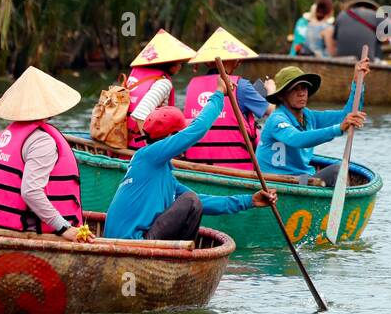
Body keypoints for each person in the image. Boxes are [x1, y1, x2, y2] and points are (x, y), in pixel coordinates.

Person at [103, 99, 277, 242]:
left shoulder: (163, 174)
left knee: (194, 201)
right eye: (180, 133)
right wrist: (218, 95)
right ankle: (179, 263)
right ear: (171, 137)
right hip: (131, 243)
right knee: (191, 201)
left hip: (136, 241)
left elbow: (203, 202)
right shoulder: (148, 155)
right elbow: (198, 130)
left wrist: (249, 201)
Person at [0, 67, 94, 240]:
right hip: (29, 230)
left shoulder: (8, 134)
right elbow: (30, 191)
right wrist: (64, 228)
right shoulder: (42, 141)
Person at [256, 59, 370, 185]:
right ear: (281, 96)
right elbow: (298, 139)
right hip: (278, 182)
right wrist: (339, 128)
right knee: (336, 171)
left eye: (304, 88)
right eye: (295, 89)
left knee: (340, 170)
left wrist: (357, 83)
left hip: (301, 179)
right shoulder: (277, 119)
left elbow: (347, 115)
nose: (301, 93)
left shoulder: (309, 116)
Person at [180, 35, 272, 169]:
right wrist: (271, 91)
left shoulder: (191, 86)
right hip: (236, 168)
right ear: (234, 60)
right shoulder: (241, 86)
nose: (239, 62)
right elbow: (272, 112)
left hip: (195, 166)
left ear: (207, 62)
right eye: (238, 59)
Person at [125, 29, 196, 149]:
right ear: (169, 64)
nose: (180, 67)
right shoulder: (162, 83)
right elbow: (140, 114)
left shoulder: (136, 74)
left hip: (125, 141)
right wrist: (151, 149)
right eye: (179, 63)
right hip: (138, 148)